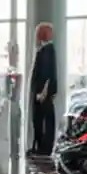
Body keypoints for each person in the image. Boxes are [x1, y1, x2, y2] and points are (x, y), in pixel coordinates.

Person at [30, 22, 58, 157]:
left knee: (43, 120)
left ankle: (44, 148)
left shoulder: (47, 50)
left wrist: (42, 92)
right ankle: (40, 146)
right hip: (42, 93)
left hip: (42, 94)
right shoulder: (45, 50)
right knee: (40, 119)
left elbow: (47, 74)